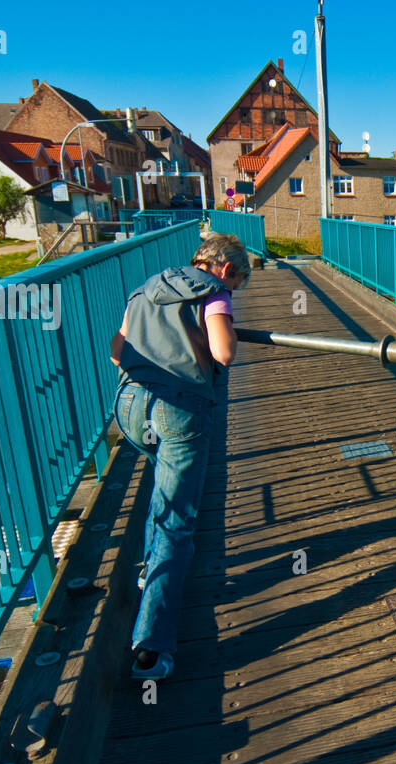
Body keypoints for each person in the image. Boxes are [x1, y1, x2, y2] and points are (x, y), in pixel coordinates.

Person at [110, 234, 251, 679]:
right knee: (176, 523)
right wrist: (215, 322)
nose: (235, 291)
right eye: (239, 283)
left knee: (163, 495)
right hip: (179, 410)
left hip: (130, 405)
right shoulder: (214, 292)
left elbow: (118, 352)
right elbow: (224, 353)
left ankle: (151, 572)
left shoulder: (148, 285)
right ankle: (151, 648)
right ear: (226, 270)